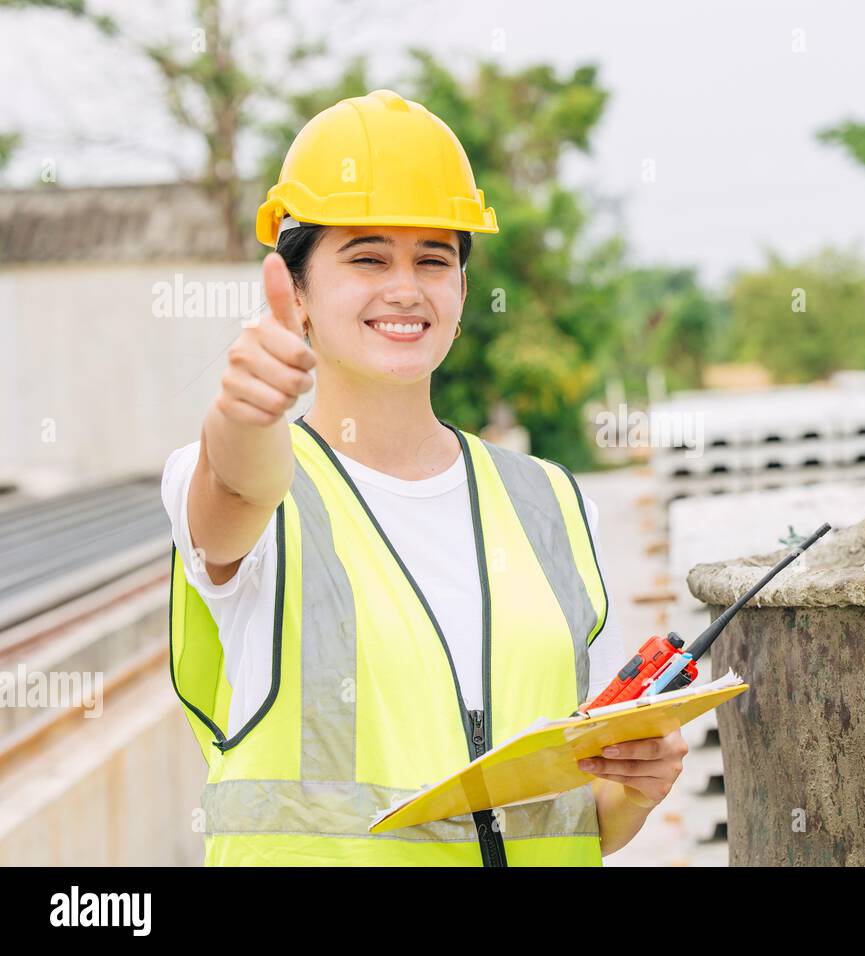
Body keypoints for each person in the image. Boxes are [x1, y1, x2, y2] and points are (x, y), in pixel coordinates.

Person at [162, 89, 688, 866]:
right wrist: (244, 415)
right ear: (296, 291)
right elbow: (235, 494)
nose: (405, 288)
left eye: (433, 259)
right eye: (367, 257)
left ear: (463, 292)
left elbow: (567, 827)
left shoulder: (551, 503)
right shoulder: (246, 486)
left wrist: (636, 788)